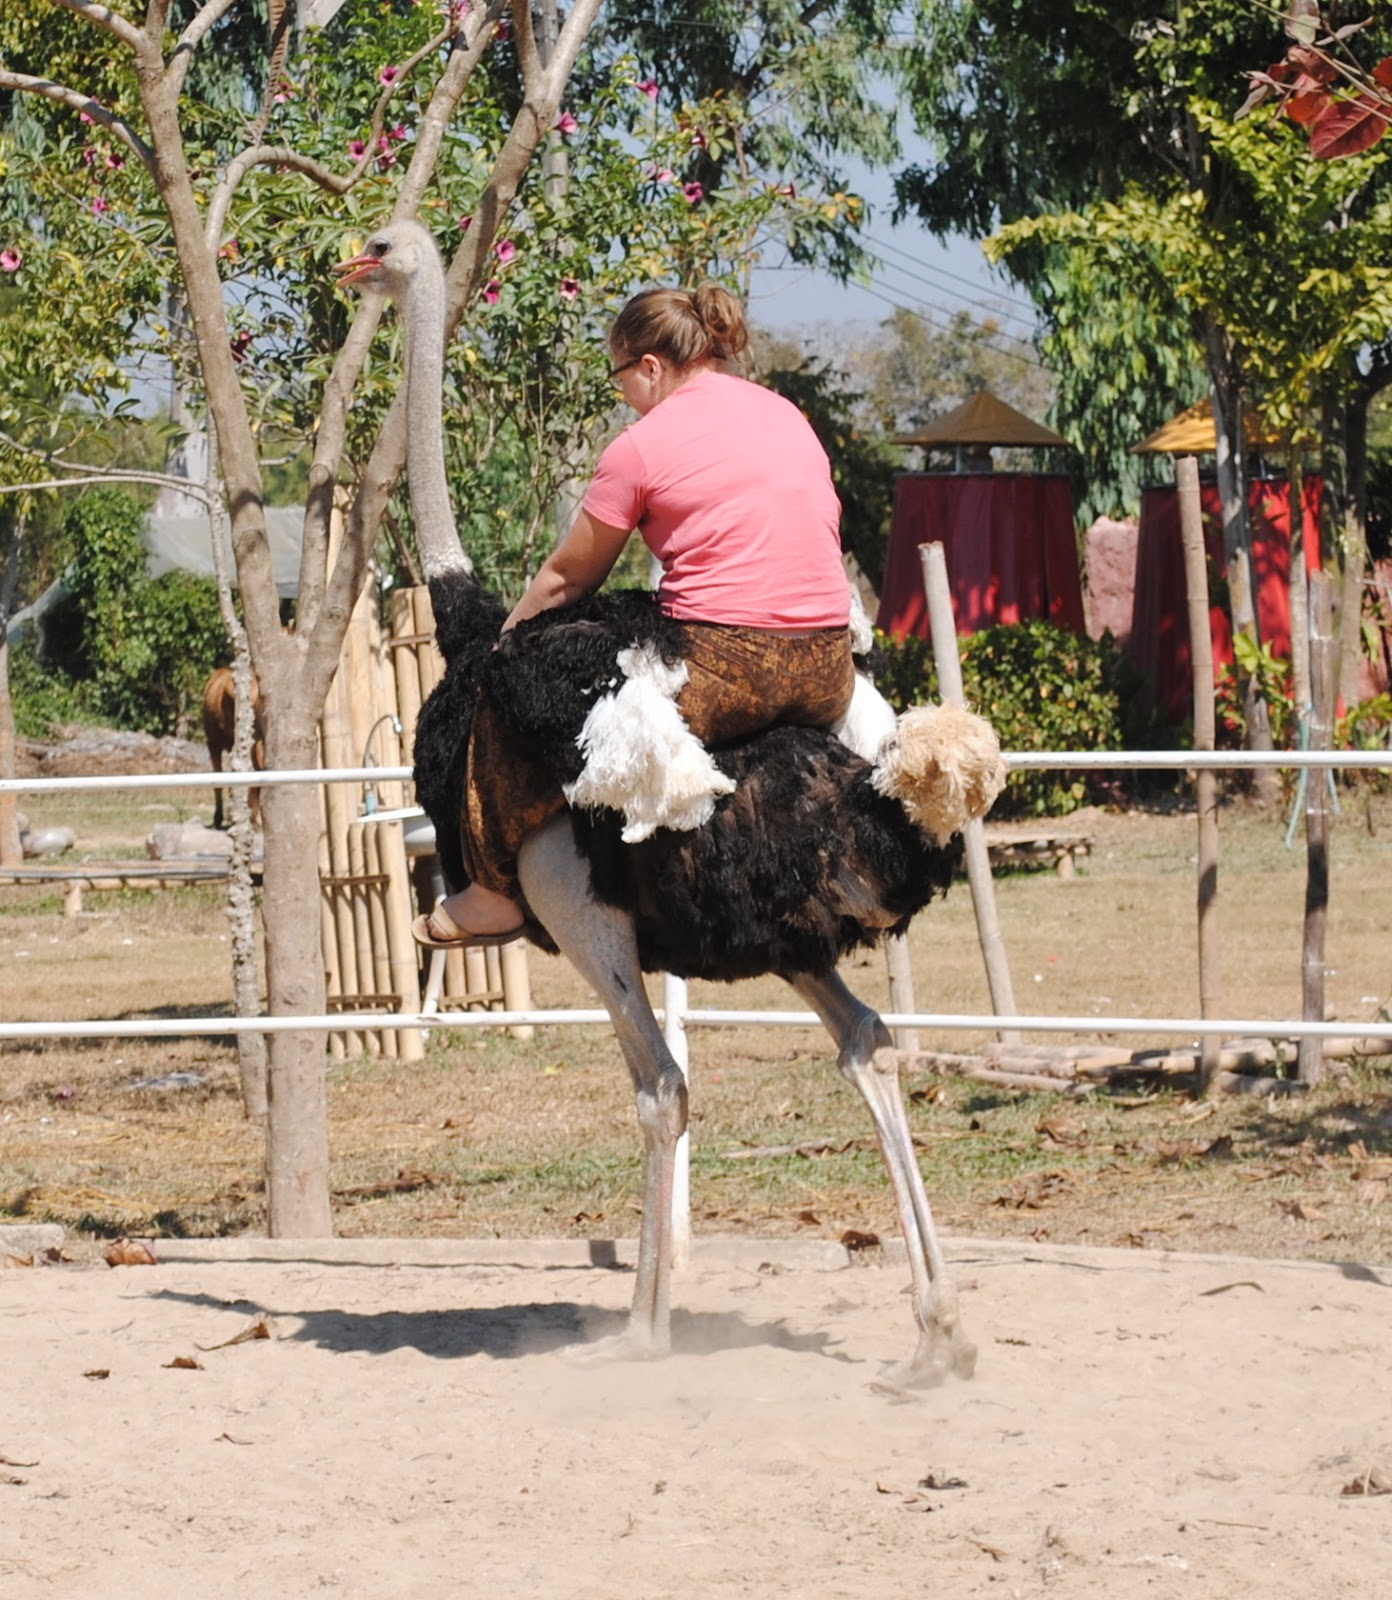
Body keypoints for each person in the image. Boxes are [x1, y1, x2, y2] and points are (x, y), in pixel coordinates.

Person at [413, 282, 856, 948]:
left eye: (620, 375)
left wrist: (496, 652)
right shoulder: (786, 414)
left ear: (650, 366)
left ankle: (495, 892)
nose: (621, 392)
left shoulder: (643, 446)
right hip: (830, 663)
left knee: (513, 697)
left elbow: (567, 577)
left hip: (731, 669)